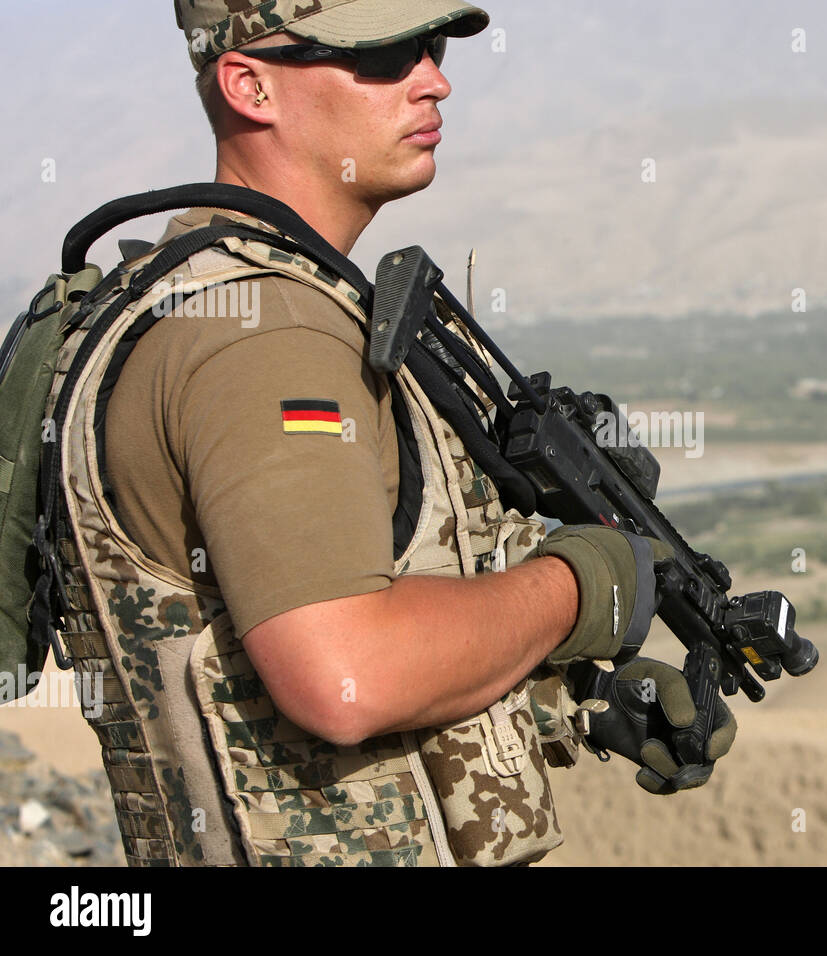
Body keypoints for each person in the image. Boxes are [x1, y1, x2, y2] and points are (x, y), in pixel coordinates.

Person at [47, 0, 734, 867]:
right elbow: (345, 672)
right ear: (249, 84)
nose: (434, 80)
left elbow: (285, 634)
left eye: (431, 47)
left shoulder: (222, 294)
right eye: (382, 57)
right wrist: (578, 586)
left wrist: (571, 687)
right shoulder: (267, 335)